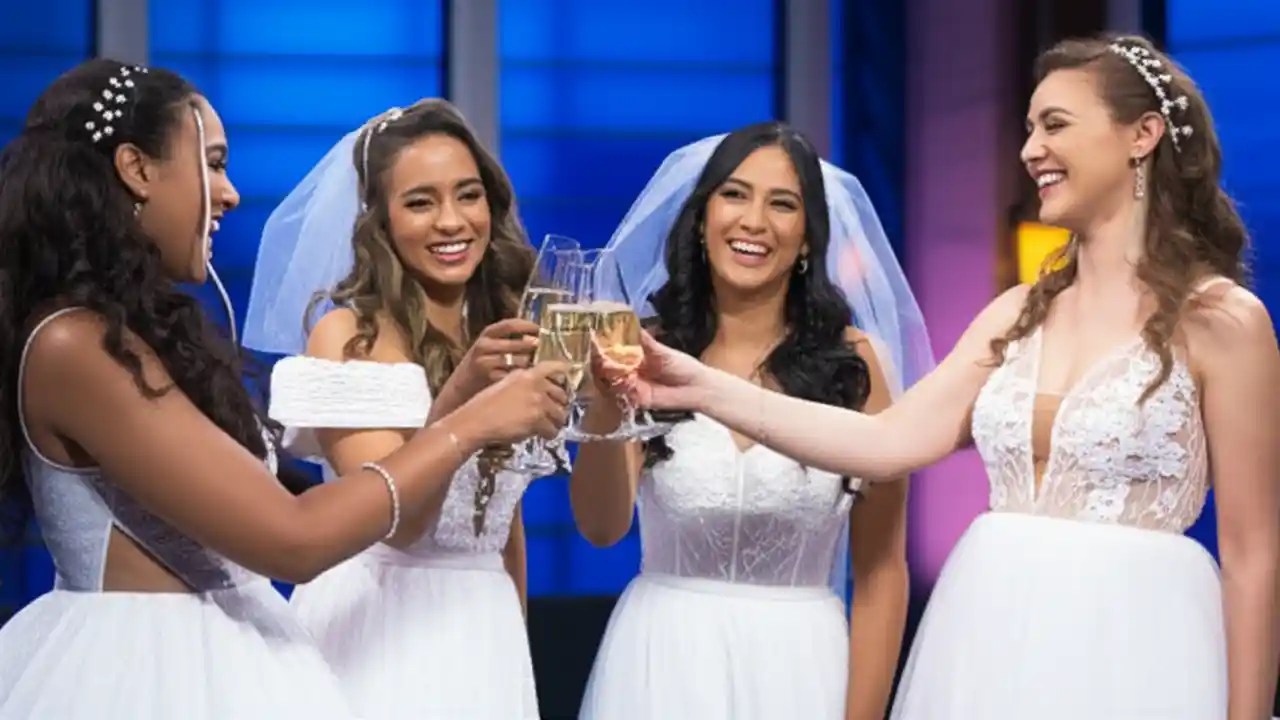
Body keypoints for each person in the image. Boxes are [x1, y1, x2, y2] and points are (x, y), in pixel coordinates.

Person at [604, 36, 1280, 719]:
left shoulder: (1222, 322)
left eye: (1055, 125)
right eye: (1028, 130)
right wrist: (697, 385)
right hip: (995, 641)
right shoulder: (1016, 314)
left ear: (1143, 135)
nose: (1031, 150)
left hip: (1137, 647)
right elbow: (885, 442)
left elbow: (1253, 556)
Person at [0, 60, 567, 719]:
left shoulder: (134, 336)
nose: (230, 193)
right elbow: (294, 540)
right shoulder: (74, 345)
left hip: (229, 657)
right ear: (136, 168)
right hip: (143, 674)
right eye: (213, 164)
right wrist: (467, 425)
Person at [572, 123, 933, 720]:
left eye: (782, 204)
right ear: (701, 219)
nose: (754, 221)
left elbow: (880, 573)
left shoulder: (853, 364)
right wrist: (609, 402)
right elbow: (601, 527)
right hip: (663, 663)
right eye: (735, 195)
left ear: (809, 236)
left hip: (802, 666)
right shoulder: (647, 349)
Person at [243, 98, 545, 719]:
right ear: (378, 220)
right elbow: (395, 521)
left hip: (484, 629)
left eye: (468, 195)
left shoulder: (507, 322)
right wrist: (464, 394)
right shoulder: (346, 337)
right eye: (420, 203)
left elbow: (502, 520)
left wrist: (513, 646)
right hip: (378, 625)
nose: (451, 221)